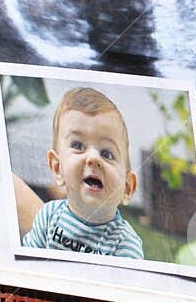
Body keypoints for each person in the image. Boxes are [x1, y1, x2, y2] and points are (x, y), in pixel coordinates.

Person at [15, 86, 145, 259]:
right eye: (78, 146)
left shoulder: (125, 245)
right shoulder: (49, 216)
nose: (93, 158)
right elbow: (28, 266)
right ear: (58, 168)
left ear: (128, 187)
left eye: (107, 154)